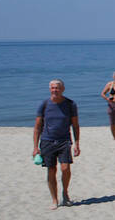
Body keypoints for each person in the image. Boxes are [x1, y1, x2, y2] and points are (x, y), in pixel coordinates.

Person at [33, 79, 80, 209]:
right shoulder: (44, 104)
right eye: (53, 88)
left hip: (64, 141)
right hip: (47, 141)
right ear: (50, 89)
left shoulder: (70, 104)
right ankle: (54, 199)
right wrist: (35, 147)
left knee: (65, 168)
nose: (55, 90)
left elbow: (75, 125)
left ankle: (65, 193)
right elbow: (37, 127)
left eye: (57, 88)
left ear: (63, 89)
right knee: (51, 170)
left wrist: (77, 143)